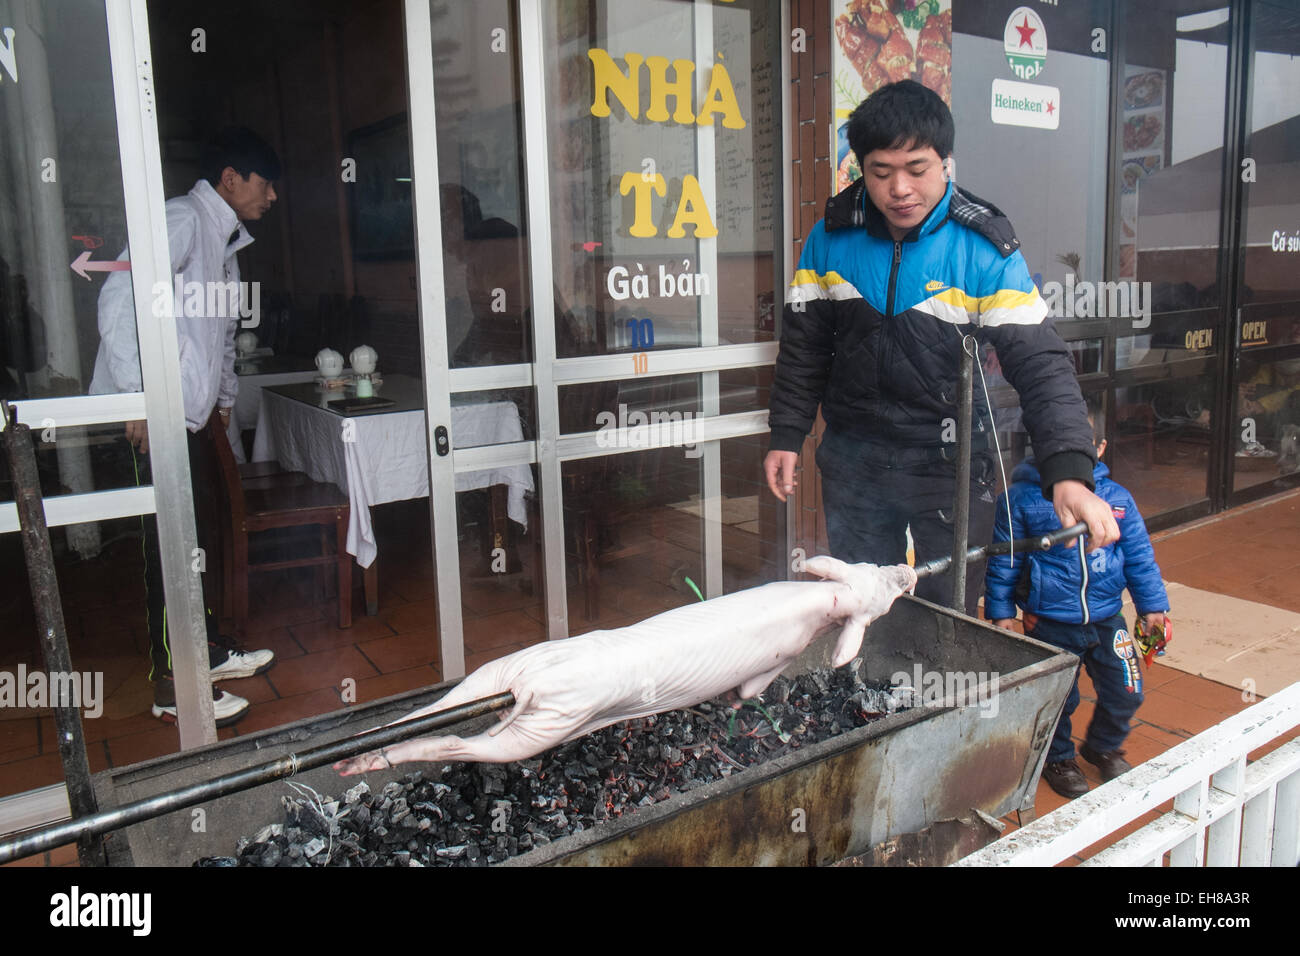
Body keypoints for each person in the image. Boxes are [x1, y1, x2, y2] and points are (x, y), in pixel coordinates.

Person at [763, 80, 1119, 612]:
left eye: (917, 169)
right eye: (881, 172)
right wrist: (787, 434)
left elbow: (1041, 365)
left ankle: (940, 693)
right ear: (862, 168)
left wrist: (1068, 471)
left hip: (949, 466)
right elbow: (804, 348)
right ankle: (865, 693)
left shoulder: (984, 248)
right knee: (861, 603)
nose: (899, 189)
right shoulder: (831, 238)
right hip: (855, 462)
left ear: (946, 162)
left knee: (945, 609)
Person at [90, 127, 281, 726]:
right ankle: (174, 684)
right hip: (159, 417)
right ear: (230, 179)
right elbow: (120, 296)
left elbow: (220, 335)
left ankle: (209, 652)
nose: (272, 196)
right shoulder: (180, 221)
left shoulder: (222, 243)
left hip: (192, 419)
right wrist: (138, 398)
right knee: (169, 551)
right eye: (265, 182)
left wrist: (224, 400)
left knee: (198, 541)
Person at [985, 419, 1169, 797]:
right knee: (1058, 698)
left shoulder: (1118, 498)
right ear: (1040, 445)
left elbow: (1139, 557)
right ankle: (1059, 758)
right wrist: (1001, 613)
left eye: (1082, 446)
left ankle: (1102, 747)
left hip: (1108, 618)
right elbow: (1005, 562)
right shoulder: (1020, 499)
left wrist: (1153, 607)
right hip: (1049, 622)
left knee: (1127, 690)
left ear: (1100, 448)